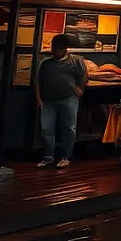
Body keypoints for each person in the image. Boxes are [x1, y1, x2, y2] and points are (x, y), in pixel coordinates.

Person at [33, 34, 87, 169]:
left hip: (68, 99)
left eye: (56, 49)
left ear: (64, 49)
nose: (53, 52)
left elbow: (84, 75)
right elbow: (38, 81)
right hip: (48, 101)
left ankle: (65, 156)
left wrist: (80, 88)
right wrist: (39, 98)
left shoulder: (75, 61)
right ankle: (48, 156)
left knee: (68, 129)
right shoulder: (45, 63)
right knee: (46, 129)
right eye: (52, 49)